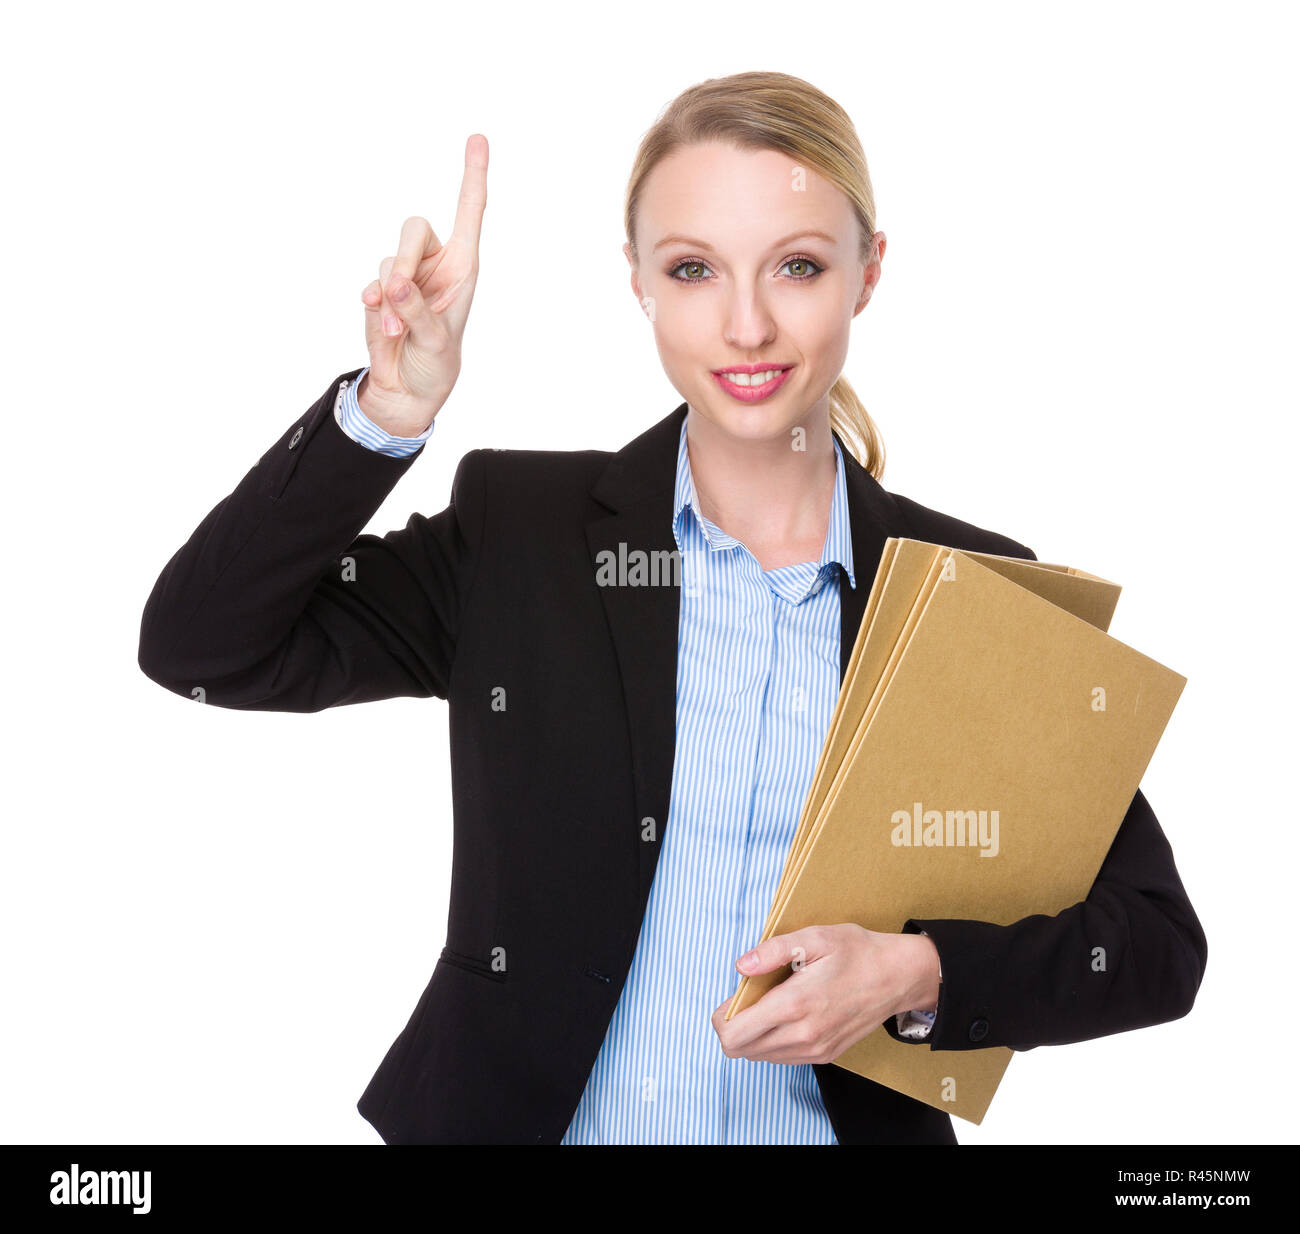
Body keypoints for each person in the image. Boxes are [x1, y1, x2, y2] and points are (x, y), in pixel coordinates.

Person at [137, 71, 1207, 1145]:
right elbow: (204, 646)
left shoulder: (967, 588)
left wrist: (914, 971)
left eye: (797, 265)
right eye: (693, 269)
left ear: (868, 274)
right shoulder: (523, 533)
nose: (746, 325)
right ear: (638, 281)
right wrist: (388, 411)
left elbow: (1154, 943)